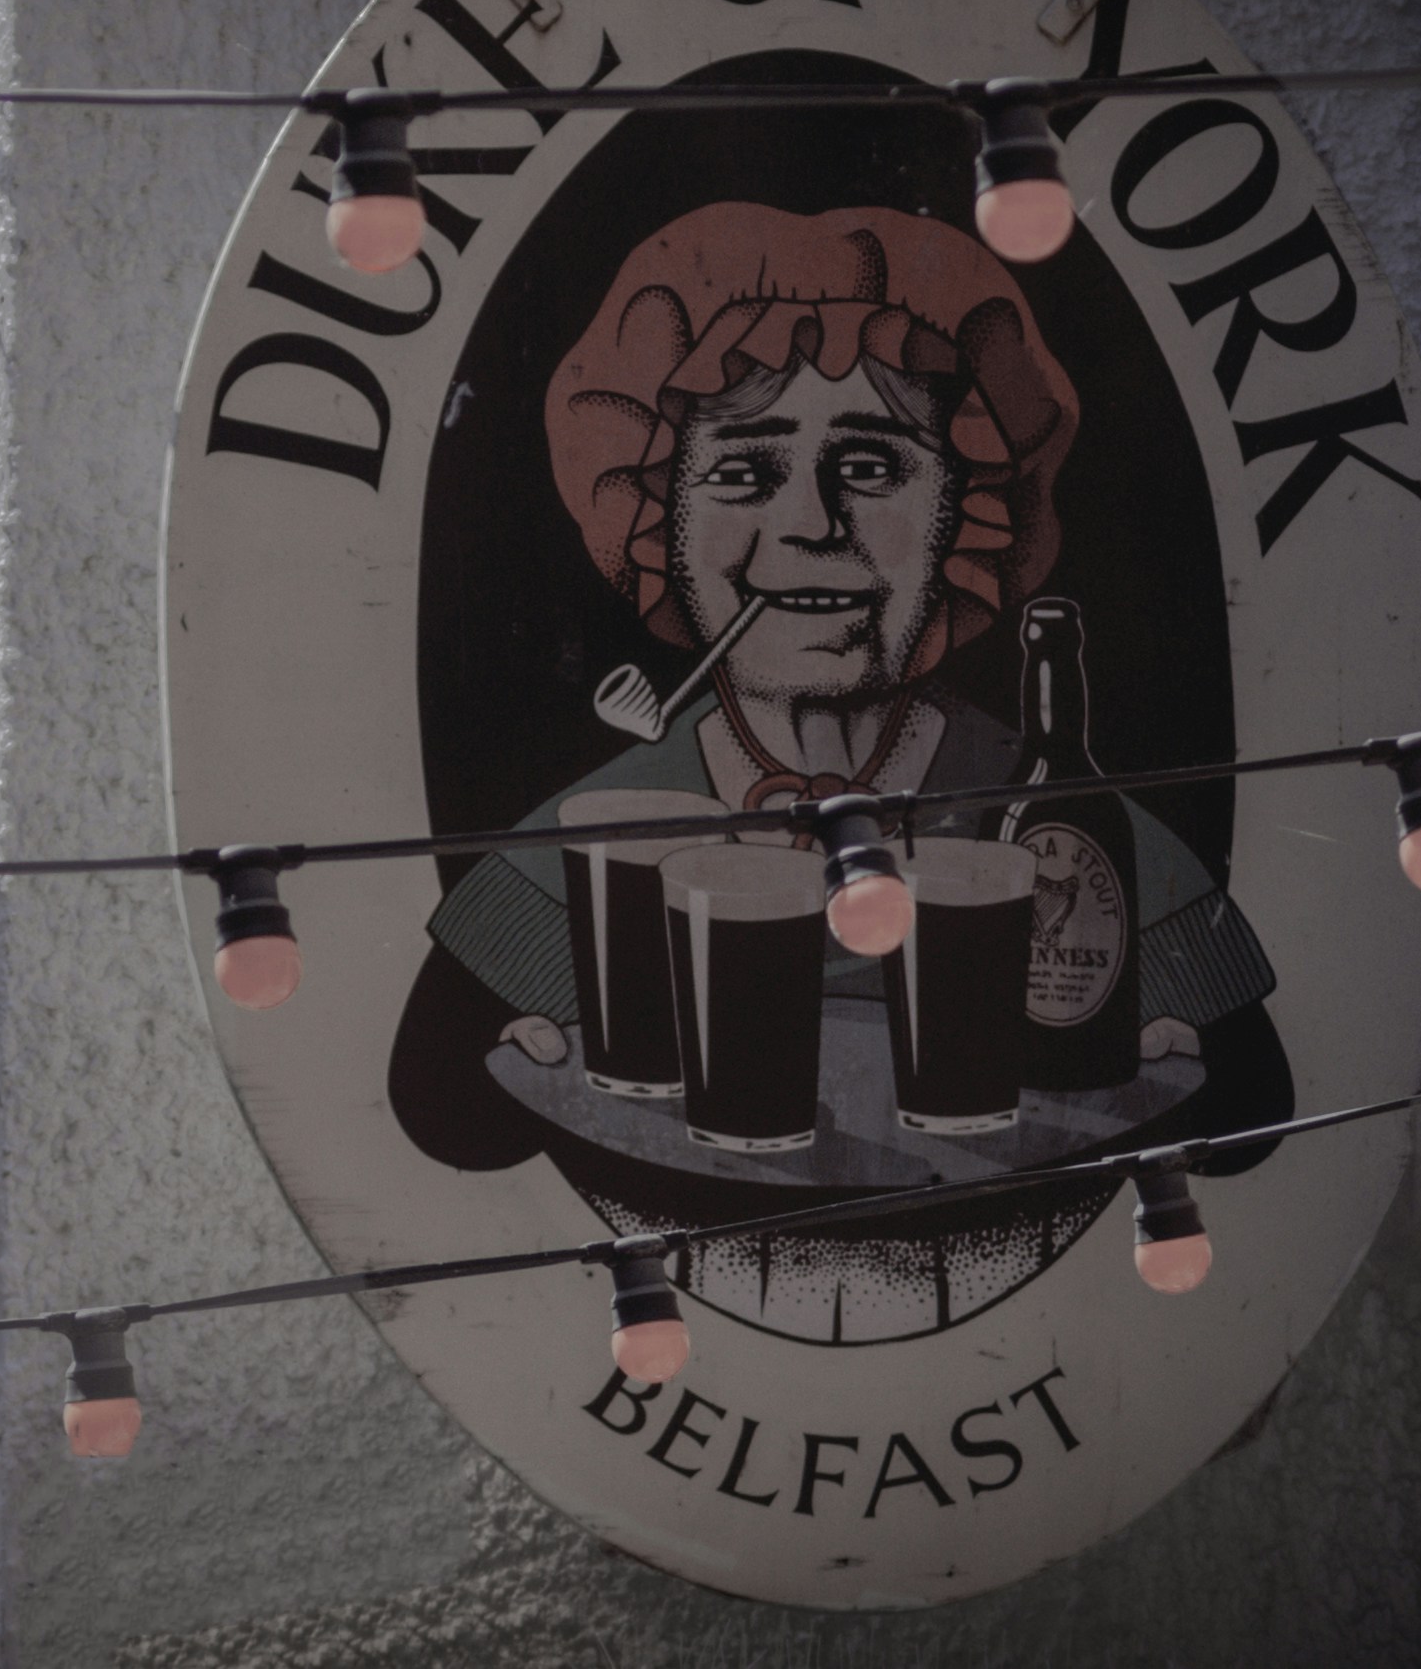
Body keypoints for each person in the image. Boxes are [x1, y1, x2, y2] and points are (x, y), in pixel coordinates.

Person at [388, 204, 1287, 1344]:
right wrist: (541, 1070)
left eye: (869, 464)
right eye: (748, 470)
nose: (811, 523)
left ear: (966, 510)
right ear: (656, 518)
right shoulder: (606, 832)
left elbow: (1258, 1104)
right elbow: (442, 1108)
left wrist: (1151, 1068)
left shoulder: (1046, 815)